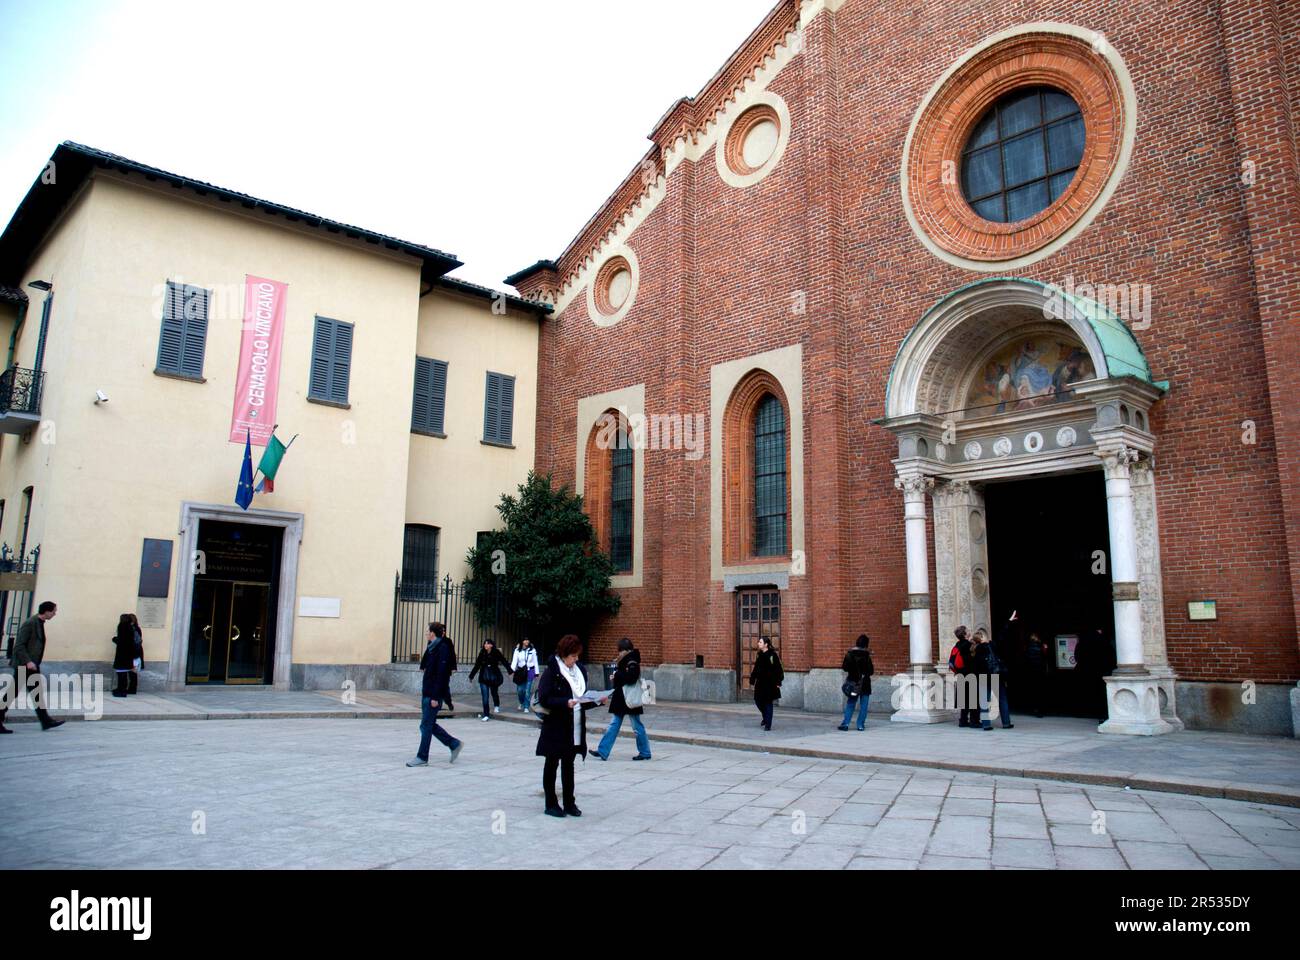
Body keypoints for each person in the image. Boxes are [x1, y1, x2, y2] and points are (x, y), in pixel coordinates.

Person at [535, 634, 607, 817]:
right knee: (552, 763)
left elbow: (581, 699)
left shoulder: (579, 670)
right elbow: (544, 698)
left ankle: (569, 802)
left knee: (569, 763)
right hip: (556, 724)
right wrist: (564, 703)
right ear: (564, 653)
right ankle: (551, 803)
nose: (576, 659)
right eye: (573, 656)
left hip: (575, 725)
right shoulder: (553, 671)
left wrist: (598, 701)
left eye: (577, 656)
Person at [0, 601, 64, 733]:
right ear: (46, 611)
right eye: (53, 611)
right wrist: (28, 661)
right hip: (25, 665)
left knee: (36, 693)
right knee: (13, 693)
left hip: (32, 666)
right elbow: (19, 646)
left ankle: (45, 720)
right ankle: (45, 720)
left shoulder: (39, 623)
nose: (55, 614)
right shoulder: (30, 623)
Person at [407, 622, 463, 766]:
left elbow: (442, 675)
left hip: (433, 694)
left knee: (426, 725)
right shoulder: (432, 647)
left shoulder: (442, 648)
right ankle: (453, 743)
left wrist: (435, 697)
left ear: (433, 633)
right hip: (427, 691)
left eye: (427, 630)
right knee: (426, 725)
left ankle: (422, 757)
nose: (426, 632)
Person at [592, 637, 651, 761]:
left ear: (624, 650)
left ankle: (645, 752)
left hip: (628, 698)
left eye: (620, 651)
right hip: (623, 697)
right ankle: (603, 750)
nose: (619, 653)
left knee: (636, 726)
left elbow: (632, 677)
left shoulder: (631, 661)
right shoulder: (627, 660)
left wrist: (617, 675)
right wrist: (617, 677)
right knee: (616, 724)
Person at [838, 634, 874, 731]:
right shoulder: (867, 656)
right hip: (865, 684)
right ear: (866, 644)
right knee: (864, 705)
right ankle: (860, 725)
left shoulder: (849, 654)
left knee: (851, 703)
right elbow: (871, 671)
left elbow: (845, 668)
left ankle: (845, 724)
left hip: (853, 685)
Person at [468, 638, 509, 721]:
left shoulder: (496, 652)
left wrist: (510, 671)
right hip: (483, 677)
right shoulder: (482, 653)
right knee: (485, 697)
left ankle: (496, 705)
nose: (485, 645)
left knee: (494, 692)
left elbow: (504, 661)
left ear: (491, 645)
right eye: (485, 643)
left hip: (493, 677)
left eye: (487, 643)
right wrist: (471, 676)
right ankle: (486, 714)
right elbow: (477, 665)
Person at [749, 637, 783, 731]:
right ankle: (765, 717)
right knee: (758, 701)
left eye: (760, 642)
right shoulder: (759, 655)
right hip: (760, 683)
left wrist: (779, 681)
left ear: (766, 644)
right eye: (759, 642)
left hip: (770, 683)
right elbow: (756, 668)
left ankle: (768, 724)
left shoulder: (772, 655)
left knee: (768, 703)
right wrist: (752, 678)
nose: (758, 643)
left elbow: (778, 669)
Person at [949, 625, 978, 728]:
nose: (969, 631)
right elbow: (972, 661)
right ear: (965, 634)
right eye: (968, 631)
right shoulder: (969, 645)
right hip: (970, 674)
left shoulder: (957, 645)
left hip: (960, 674)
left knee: (964, 700)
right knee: (973, 699)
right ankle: (974, 721)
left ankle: (963, 720)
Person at [970, 627, 995, 731]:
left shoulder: (973, 650)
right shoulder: (986, 647)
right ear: (981, 639)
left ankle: (985, 723)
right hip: (988, 676)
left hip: (979, 677)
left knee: (983, 701)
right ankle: (986, 723)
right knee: (986, 700)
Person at [111, 613, 138, 698]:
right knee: (123, 673)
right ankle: (120, 689)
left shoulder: (122, 627)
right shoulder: (130, 627)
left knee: (121, 673)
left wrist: (115, 639)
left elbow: (122, 641)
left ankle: (121, 691)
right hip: (128, 654)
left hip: (122, 654)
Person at [1022, 630, 1048, 718]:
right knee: (1040, 690)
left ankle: (1035, 708)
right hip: (1040, 671)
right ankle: (1041, 709)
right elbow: (1045, 658)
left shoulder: (1027, 647)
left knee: (1033, 690)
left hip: (1031, 672)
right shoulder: (1041, 647)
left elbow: (1025, 659)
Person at [511, 636, 540, 712]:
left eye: (528, 640)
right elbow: (514, 661)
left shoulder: (532, 650)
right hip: (520, 672)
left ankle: (526, 706)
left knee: (527, 690)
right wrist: (511, 671)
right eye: (525, 640)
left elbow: (535, 661)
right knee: (520, 690)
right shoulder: (517, 650)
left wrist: (536, 672)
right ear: (522, 641)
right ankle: (521, 702)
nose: (527, 641)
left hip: (530, 671)